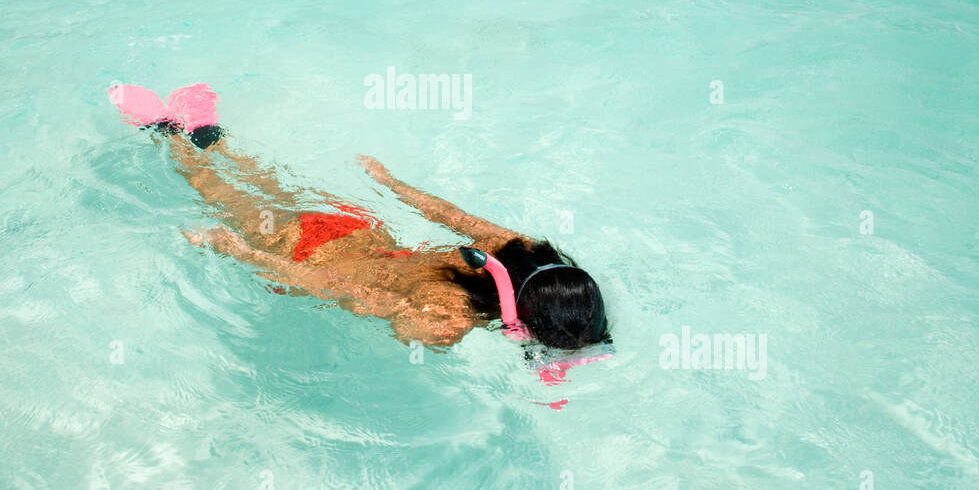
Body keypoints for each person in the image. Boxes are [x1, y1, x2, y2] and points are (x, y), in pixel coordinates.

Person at [111, 83, 610, 350]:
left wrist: (389, 183)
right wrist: (239, 253)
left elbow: (450, 213)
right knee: (217, 193)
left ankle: (206, 133)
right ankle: (164, 130)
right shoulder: (447, 319)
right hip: (305, 249)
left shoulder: (521, 249)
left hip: (358, 225)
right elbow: (339, 289)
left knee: (266, 184)